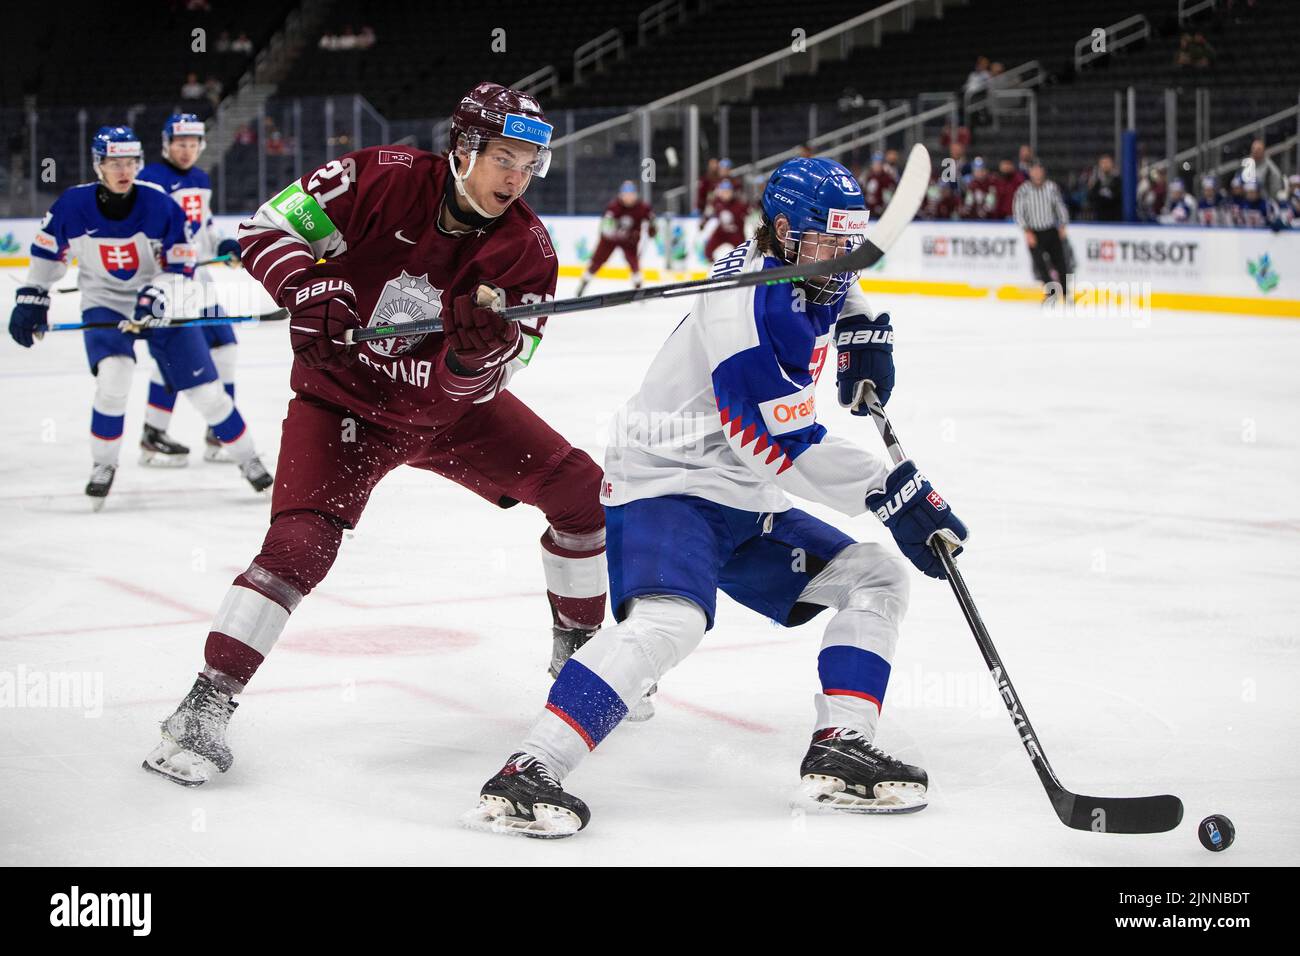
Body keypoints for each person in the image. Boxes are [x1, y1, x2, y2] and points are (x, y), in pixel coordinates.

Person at [467, 157, 969, 838]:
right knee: (672, 622)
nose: (844, 260)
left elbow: (840, 284)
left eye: (853, 244)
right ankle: (530, 770)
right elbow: (772, 446)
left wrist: (860, 326)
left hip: (742, 495)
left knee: (874, 579)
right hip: (666, 484)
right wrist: (892, 493)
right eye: (831, 244)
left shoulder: (804, 261)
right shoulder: (745, 312)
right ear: (785, 232)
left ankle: (841, 749)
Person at [141, 82, 614, 787]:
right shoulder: (377, 177)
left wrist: (470, 358)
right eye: (505, 158)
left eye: (530, 165)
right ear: (462, 149)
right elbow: (266, 229)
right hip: (344, 409)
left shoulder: (529, 253)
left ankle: (575, 655)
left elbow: (490, 383)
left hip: (452, 417)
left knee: (582, 493)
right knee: (298, 547)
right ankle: (205, 704)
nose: (516, 179)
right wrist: (307, 287)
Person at [7, 126, 272, 508]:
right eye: (114, 162)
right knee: (114, 376)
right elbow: (48, 253)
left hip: (163, 298)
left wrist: (156, 296)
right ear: (98, 164)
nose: (123, 170)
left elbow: (181, 264)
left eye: (130, 162)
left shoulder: (160, 204)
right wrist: (33, 297)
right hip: (106, 302)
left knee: (207, 393)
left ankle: (248, 459)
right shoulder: (71, 205)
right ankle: (104, 465)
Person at [135, 114, 246, 466]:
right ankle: (153, 434)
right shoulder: (150, 179)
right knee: (171, 358)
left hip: (200, 282)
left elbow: (205, 226)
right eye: (180, 143)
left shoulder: (199, 178)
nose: (186, 150)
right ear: (167, 144)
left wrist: (224, 243)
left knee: (226, 349)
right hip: (171, 283)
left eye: (193, 143)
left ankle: (220, 434)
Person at [574, 180, 656, 296]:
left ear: (635, 195)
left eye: (631, 194)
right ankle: (584, 282)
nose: (628, 197)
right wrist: (616, 234)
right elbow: (606, 229)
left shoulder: (642, 207)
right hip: (610, 240)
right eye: (626, 194)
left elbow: (651, 221)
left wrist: (652, 229)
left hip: (630, 240)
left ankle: (638, 289)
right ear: (621, 195)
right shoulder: (613, 207)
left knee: (634, 262)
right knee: (597, 261)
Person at [1013, 161, 1072, 304]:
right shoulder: (1023, 190)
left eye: (1040, 170)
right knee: (1041, 265)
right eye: (1034, 170)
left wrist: (1063, 224)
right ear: (1030, 172)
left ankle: (1065, 293)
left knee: (1060, 263)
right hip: (1034, 232)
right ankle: (1050, 293)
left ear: (1043, 172)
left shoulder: (1051, 187)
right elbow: (1018, 212)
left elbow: (1059, 206)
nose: (1037, 173)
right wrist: (1027, 231)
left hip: (1051, 230)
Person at [700, 178, 748, 261]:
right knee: (708, 250)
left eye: (728, 192)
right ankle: (712, 266)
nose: (726, 194)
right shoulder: (717, 202)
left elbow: (750, 215)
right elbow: (709, 212)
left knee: (742, 253)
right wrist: (704, 222)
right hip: (722, 231)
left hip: (736, 232)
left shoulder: (739, 205)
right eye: (724, 192)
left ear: (732, 192)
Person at [1086, 154, 1123, 221]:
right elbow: (1091, 197)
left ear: (1112, 164)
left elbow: (1118, 197)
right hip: (1100, 217)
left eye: (1107, 162)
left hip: (1115, 217)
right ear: (1099, 165)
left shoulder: (1118, 180)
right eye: (1103, 163)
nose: (1105, 165)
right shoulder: (1096, 181)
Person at [860, 152, 896, 220]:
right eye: (875, 163)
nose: (876, 165)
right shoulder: (868, 176)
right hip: (869, 211)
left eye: (879, 163)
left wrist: (884, 207)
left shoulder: (887, 178)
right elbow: (863, 191)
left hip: (881, 213)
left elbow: (889, 195)